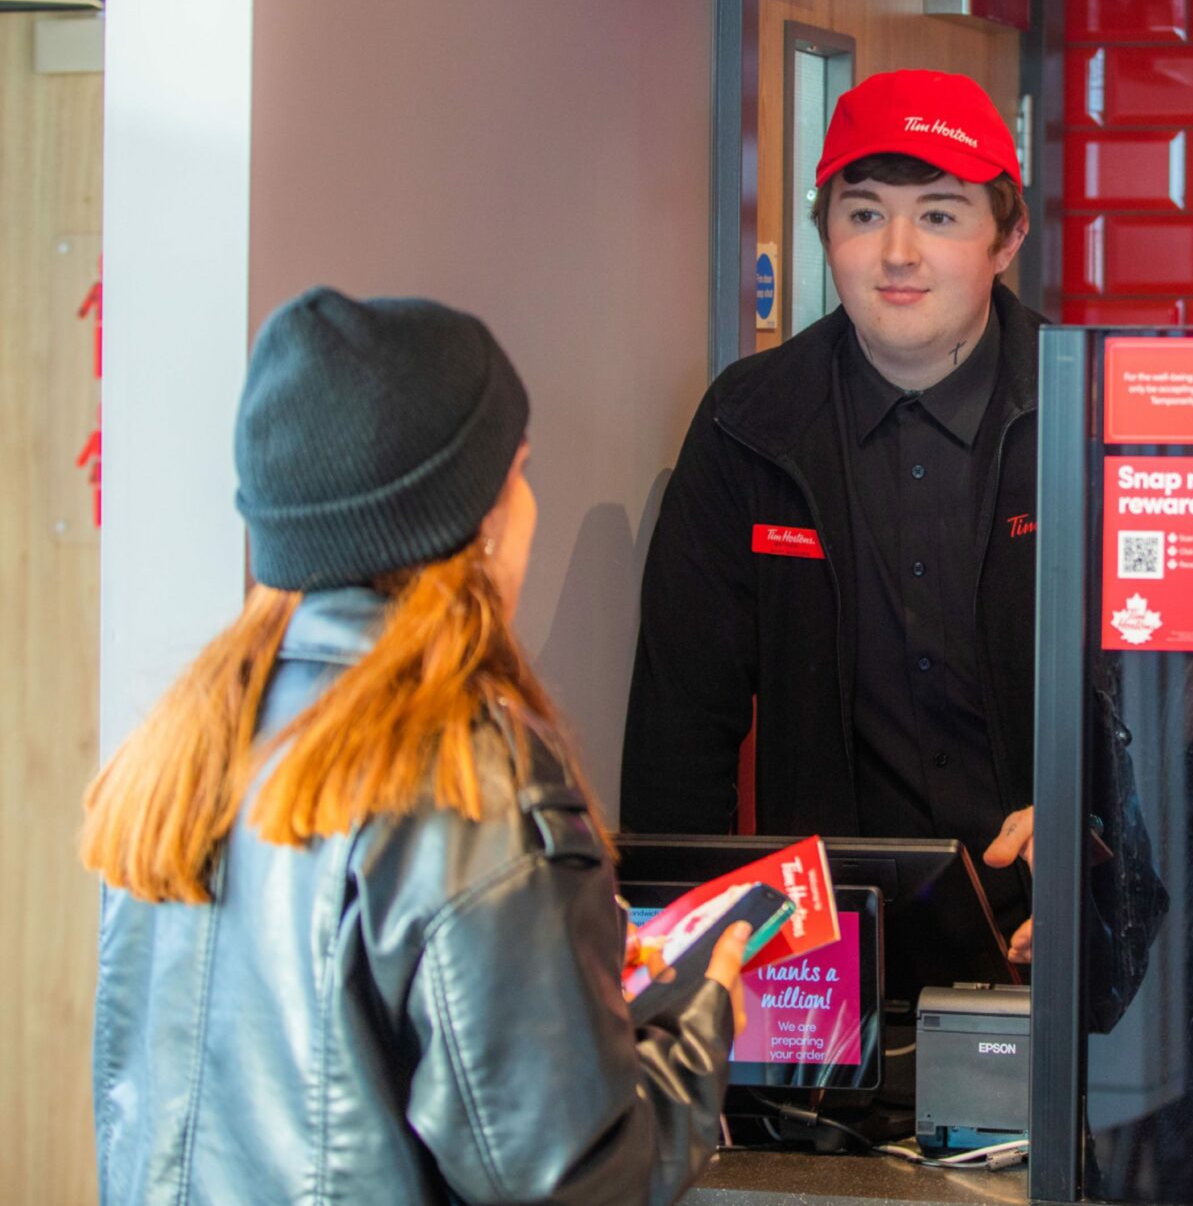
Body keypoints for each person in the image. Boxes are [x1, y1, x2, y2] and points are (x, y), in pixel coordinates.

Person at [82, 288, 747, 1206]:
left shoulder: (180, 754)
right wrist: (698, 1030)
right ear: (471, 519)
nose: (530, 503)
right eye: (517, 471)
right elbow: (572, 1183)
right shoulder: (471, 780)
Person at [621, 69, 1046, 962]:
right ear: (825, 232)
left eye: (939, 214)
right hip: (825, 969)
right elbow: (680, 738)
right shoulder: (749, 426)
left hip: (1060, 949)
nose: (898, 251)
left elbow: (1190, 709)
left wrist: (1107, 869)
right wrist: (685, 981)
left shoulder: (1093, 416)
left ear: (1007, 237)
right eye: (863, 213)